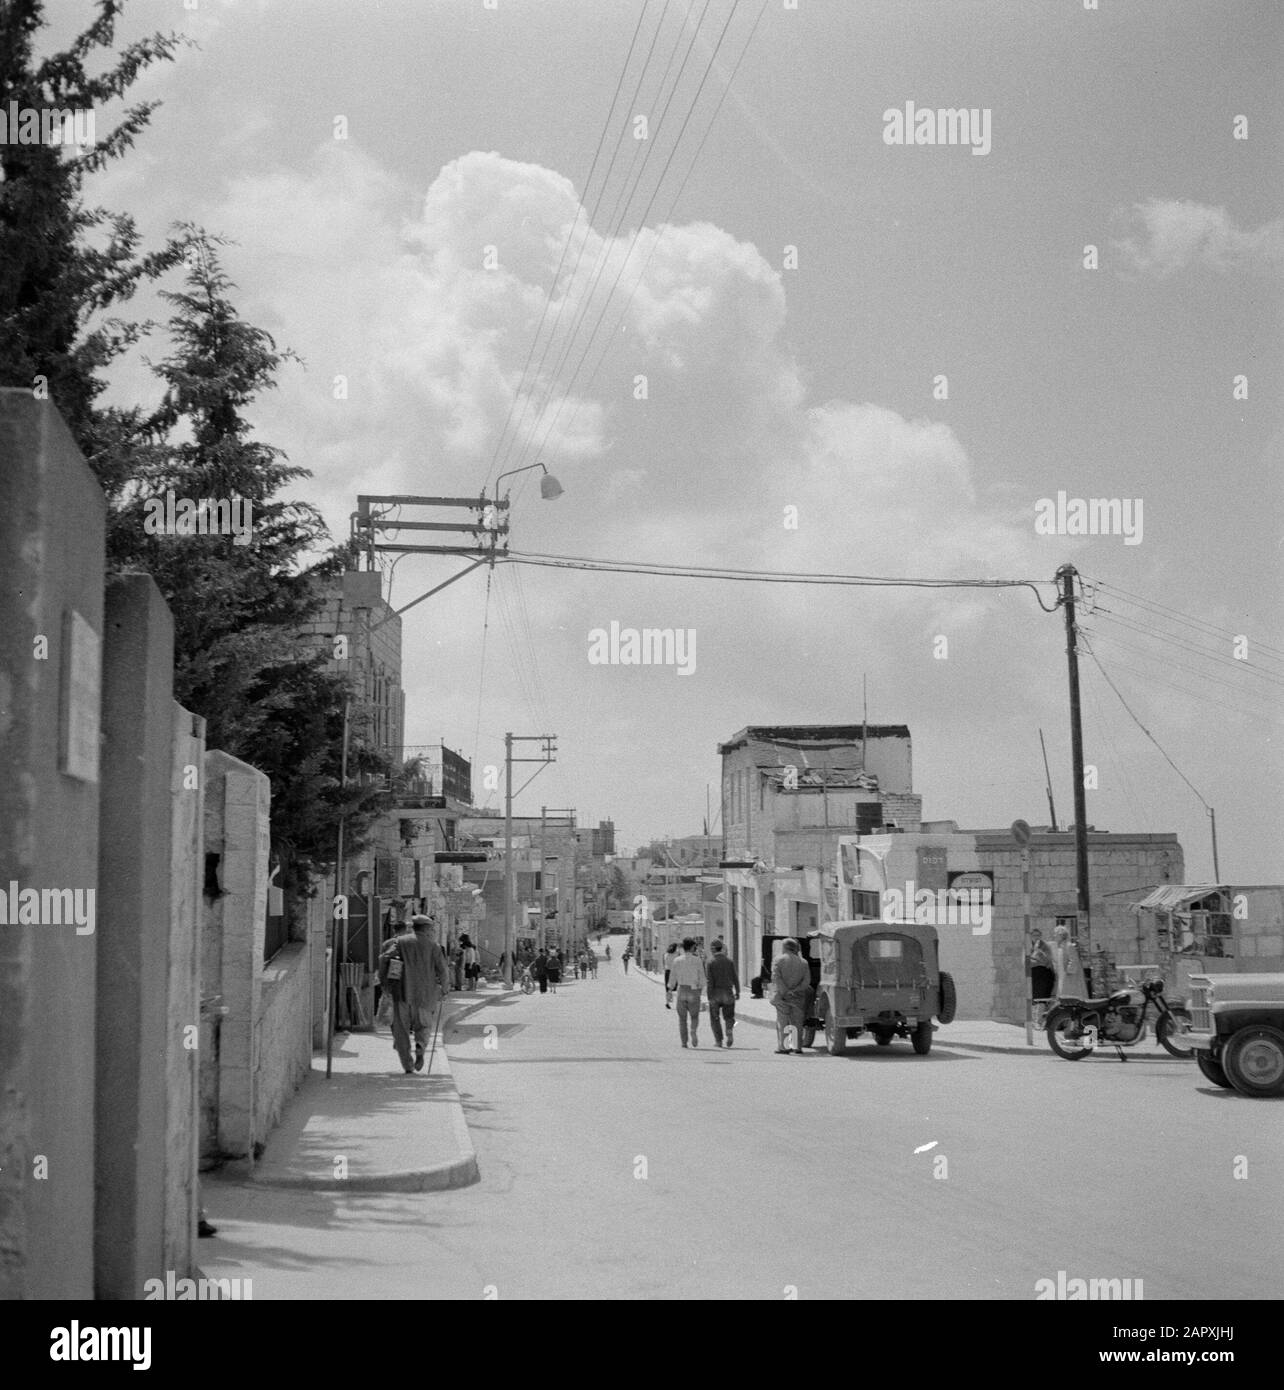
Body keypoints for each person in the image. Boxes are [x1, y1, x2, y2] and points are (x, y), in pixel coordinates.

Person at [378, 914, 450, 1073]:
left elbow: (384, 959)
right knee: (424, 1025)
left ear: (413, 927)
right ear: (427, 929)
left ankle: (408, 1065)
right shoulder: (434, 946)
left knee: (400, 1031)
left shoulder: (400, 942)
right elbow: (443, 971)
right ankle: (421, 1045)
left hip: (401, 993)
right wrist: (445, 989)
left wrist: (384, 983)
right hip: (425, 995)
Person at [770, 938, 810, 1055]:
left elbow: (776, 978)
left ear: (785, 947)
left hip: (782, 996)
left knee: (783, 1021)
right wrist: (795, 990)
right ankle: (797, 1047)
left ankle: (783, 1047)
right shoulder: (803, 962)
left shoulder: (778, 960)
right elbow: (806, 981)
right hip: (798, 996)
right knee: (797, 1022)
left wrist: (786, 991)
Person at [669, 937, 706, 1048]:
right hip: (693, 990)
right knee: (694, 1016)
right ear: (692, 947)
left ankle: (684, 1042)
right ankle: (693, 1030)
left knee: (682, 1019)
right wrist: (701, 989)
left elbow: (672, 978)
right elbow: (702, 978)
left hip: (681, 990)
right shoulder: (697, 960)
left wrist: (670, 990)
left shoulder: (677, 960)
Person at [705, 939, 740, 1048]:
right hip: (728, 992)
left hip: (715, 992)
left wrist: (709, 995)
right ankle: (729, 1031)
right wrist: (738, 991)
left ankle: (718, 1040)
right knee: (729, 1017)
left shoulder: (710, 962)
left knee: (714, 1018)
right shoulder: (729, 961)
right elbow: (735, 977)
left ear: (714, 949)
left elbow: (709, 981)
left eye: (711, 948)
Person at [1051, 925, 1086, 1000]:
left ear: (1061, 935)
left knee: (1070, 994)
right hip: (1062, 975)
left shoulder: (1069, 946)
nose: (1054, 936)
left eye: (1056, 934)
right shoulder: (1060, 947)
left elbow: (1073, 960)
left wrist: (1068, 971)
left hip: (1069, 977)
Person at [1027, 929, 1056, 1012]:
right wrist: (1039, 960)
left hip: (1044, 976)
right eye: (1034, 935)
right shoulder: (1028, 947)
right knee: (1034, 999)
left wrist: (1038, 956)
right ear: (1031, 937)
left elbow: (1048, 962)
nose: (1036, 937)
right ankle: (1035, 1020)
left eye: (1038, 935)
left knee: (1042, 999)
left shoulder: (1045, 946)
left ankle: (1040, 1020)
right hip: (1033, 976)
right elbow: (1027, 963)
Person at [662, 942, 679, 1009]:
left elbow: (664, 963)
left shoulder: (665, 954)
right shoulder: (677, 954)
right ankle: (678, 1002)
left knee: (668, 988)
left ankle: (667, 1002)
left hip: (667, 972)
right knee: (677, 988)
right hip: (674, 972)